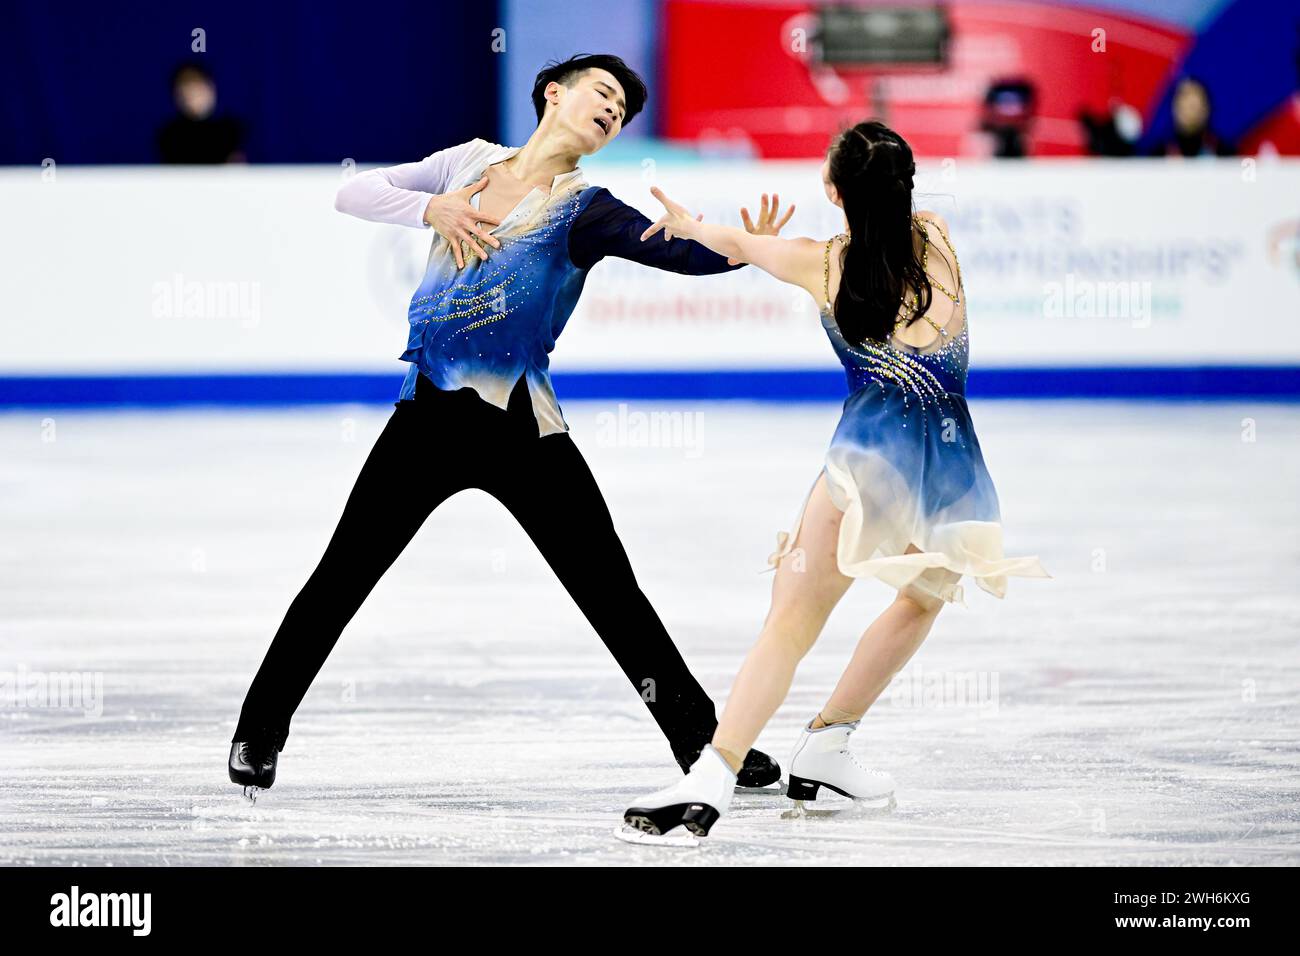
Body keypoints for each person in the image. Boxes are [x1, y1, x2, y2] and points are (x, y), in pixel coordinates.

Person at [228, 54, 794, 797]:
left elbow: (679, 254)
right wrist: (431, 208)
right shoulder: (467, 163)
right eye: (603, 94)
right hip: (426, 417)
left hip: (524, 429)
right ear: (554, 94)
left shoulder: (586, 207)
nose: (612, 111)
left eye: (621, 112)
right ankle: (256, 735)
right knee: (341, 576)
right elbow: (353, 193)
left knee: (611, 591)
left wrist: (742, 248)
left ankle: (704, 746)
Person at [623, 121, 1050, 839]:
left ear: (831, 190)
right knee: (921, 599)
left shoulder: (818, 265)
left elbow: (736, 244)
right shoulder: (939, 239)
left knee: (788, 627)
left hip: (861, 468)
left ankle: (713, 776)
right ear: (908, 187)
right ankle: (829, 740)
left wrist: (691, 223)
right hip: (948, 473)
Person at [157, 61, 245, 164]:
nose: (193, 95)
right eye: (186, 90)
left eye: (197, 88)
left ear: (211, 88)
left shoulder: (232, 131)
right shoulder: (169, 136)